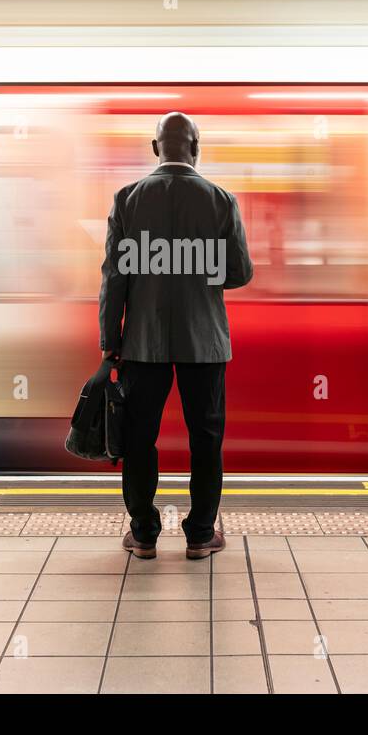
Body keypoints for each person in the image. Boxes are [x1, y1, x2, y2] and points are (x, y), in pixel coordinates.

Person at [98, 112, 253, 560]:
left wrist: (111, 343)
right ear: (196, 148)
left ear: (155, 149)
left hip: (141, 345)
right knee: (205, 438)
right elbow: (239, 273)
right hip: (204, 343)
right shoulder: (221, 201)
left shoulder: (127, 200)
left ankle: (144, 534)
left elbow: (114, 280)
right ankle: (201, 535)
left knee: (140, 437)